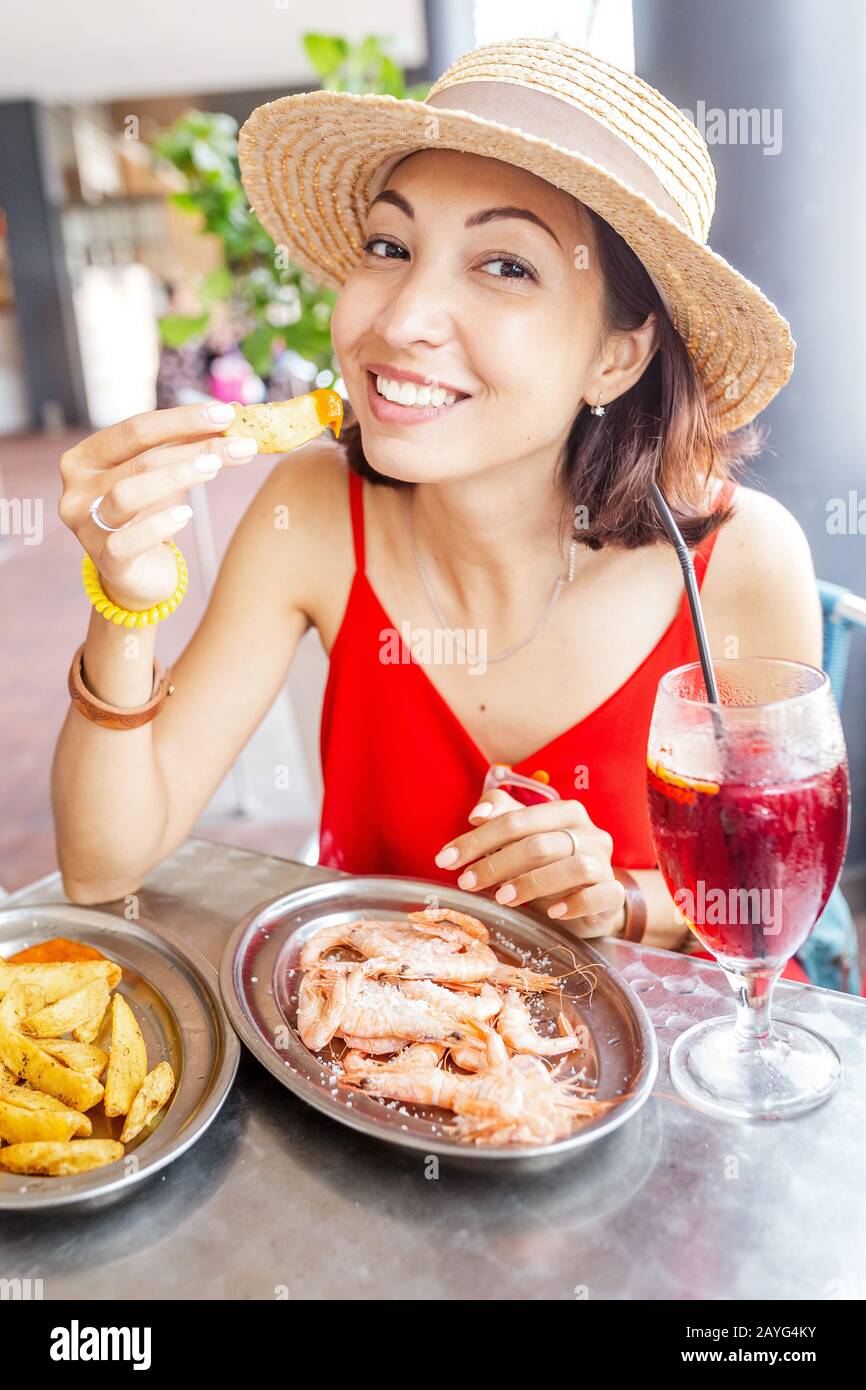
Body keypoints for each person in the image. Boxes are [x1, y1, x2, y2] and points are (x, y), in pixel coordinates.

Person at [52, 39, 826, 978]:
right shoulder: (310, 513)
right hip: (370, 1070)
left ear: (616, 358)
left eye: (506, 266)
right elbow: (101, 867)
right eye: (390, 247)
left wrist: (621, 901)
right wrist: (124, 596)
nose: (401, 317)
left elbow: (769, 885)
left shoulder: (742, 555)